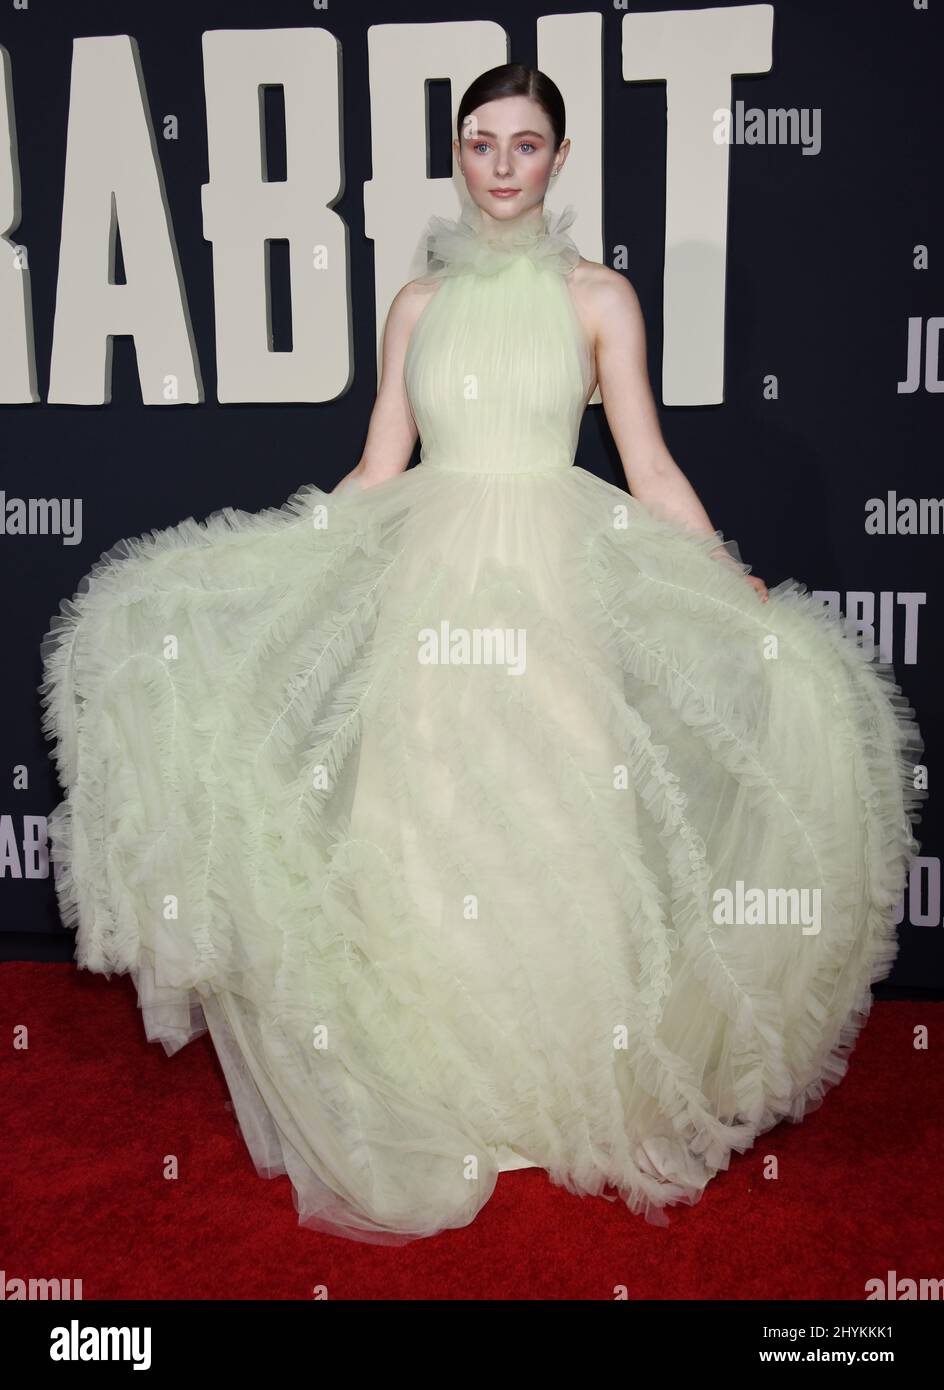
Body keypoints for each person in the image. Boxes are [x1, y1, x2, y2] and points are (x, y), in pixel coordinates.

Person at [39, 63, 924, 1246]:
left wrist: (724, 572)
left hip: (547, 592)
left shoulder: (599, 299)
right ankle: (437, 1084)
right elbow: (375, 470)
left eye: (523, 143)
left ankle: (558, 1075)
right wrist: (266, 551)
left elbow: (647, 467)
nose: (500, 164)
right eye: (478, 142)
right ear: (456, 156)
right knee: (427, 819)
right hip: (430, 596)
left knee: (554, 822)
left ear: (558, 158)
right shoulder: (412, 305)